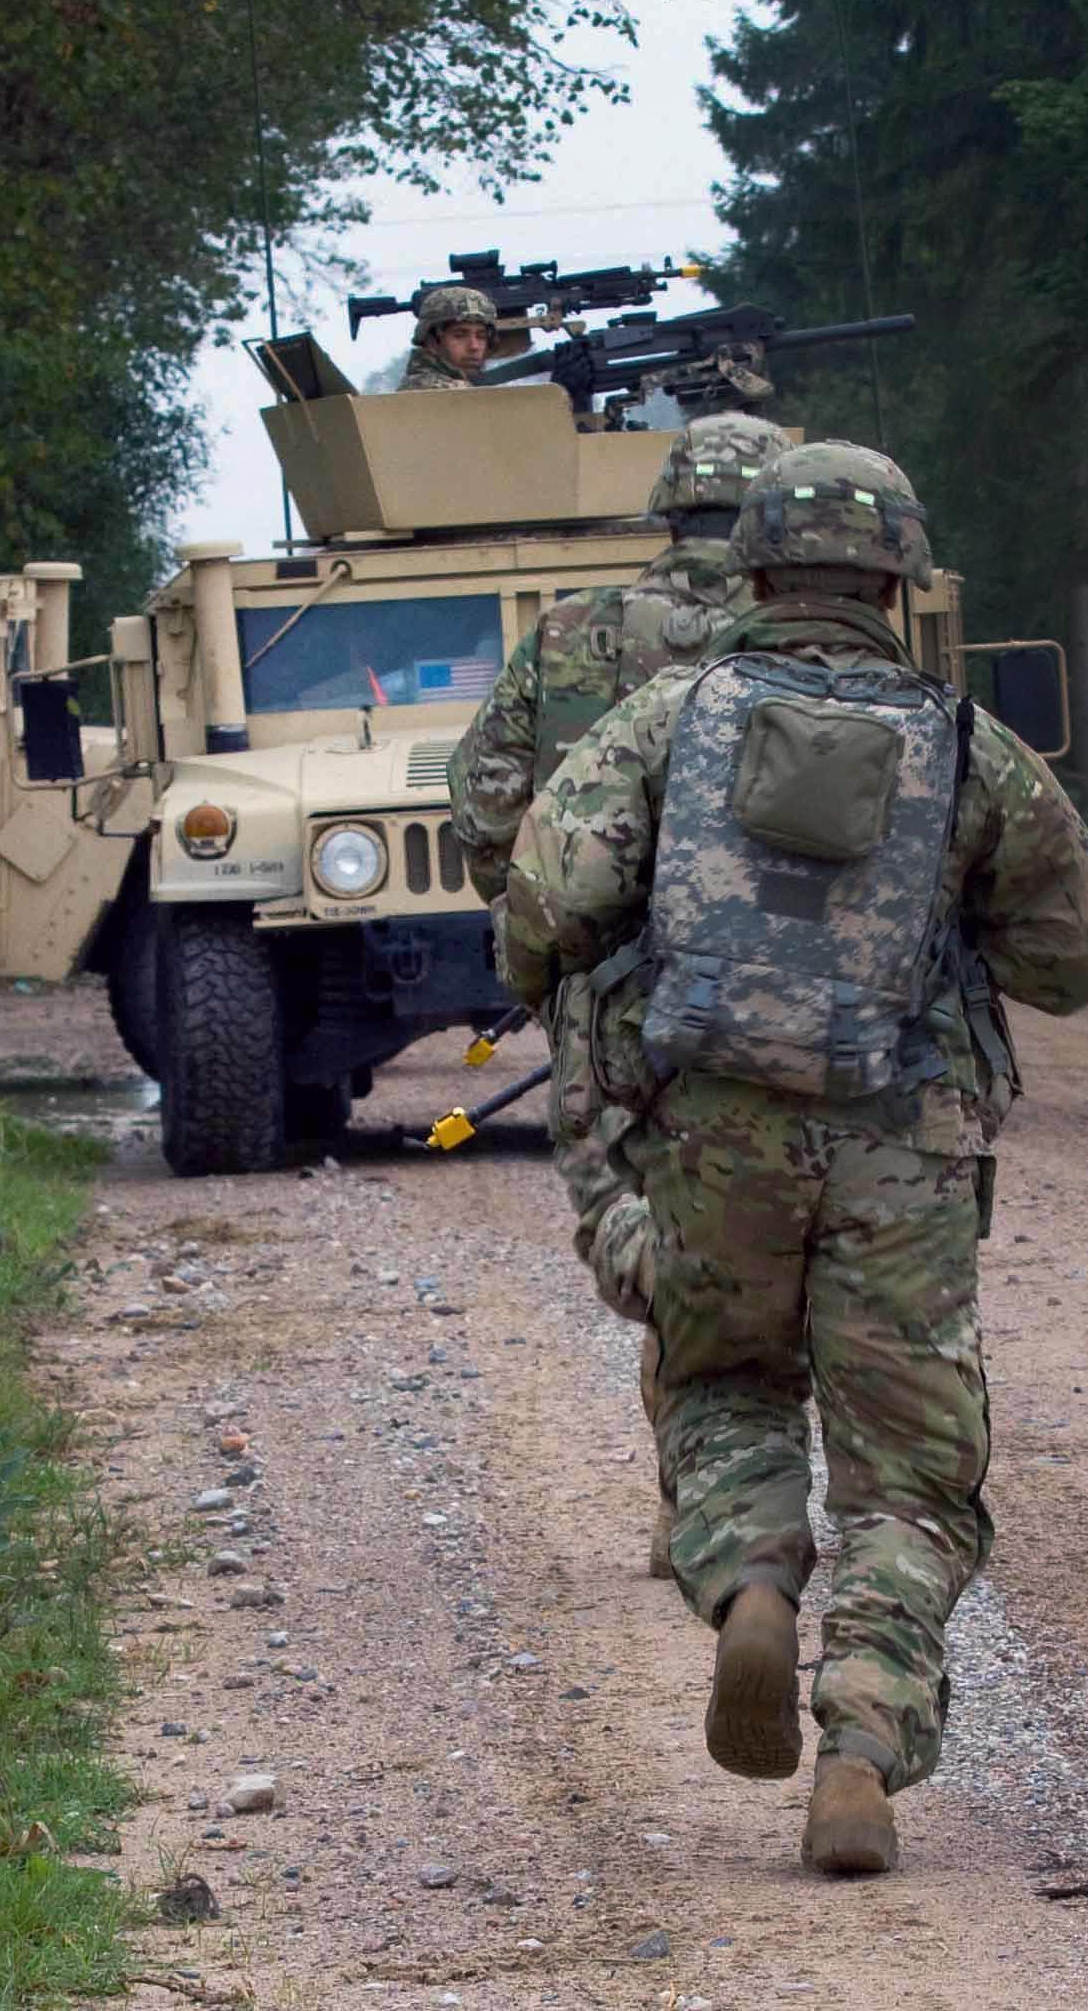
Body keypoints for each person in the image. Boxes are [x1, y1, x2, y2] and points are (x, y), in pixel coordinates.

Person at [498, 442, 1088, 1877]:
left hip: (718, 1128)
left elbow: (543, 896)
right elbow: (1081, 951)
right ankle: (860, 1739)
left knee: (724, 1382)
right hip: (906, 1146)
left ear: (756, 573)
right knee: (910, 1472)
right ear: (899, 583)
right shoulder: (970, 745)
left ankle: (752, 1592)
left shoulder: (667, 722)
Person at [448, 411, 790, 1580]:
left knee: (655, 1239)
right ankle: (775, 1499)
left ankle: (697, 1498)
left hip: (614, 995)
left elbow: (488, 800)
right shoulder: (805, 645)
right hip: (786, 991)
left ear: (665, 509)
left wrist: (550, 933)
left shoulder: (574, 634)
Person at [396, 283, 498, 391]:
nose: (474, 346)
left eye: (481, 336)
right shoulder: (438, 389)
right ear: (431, 340)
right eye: (459, 336)